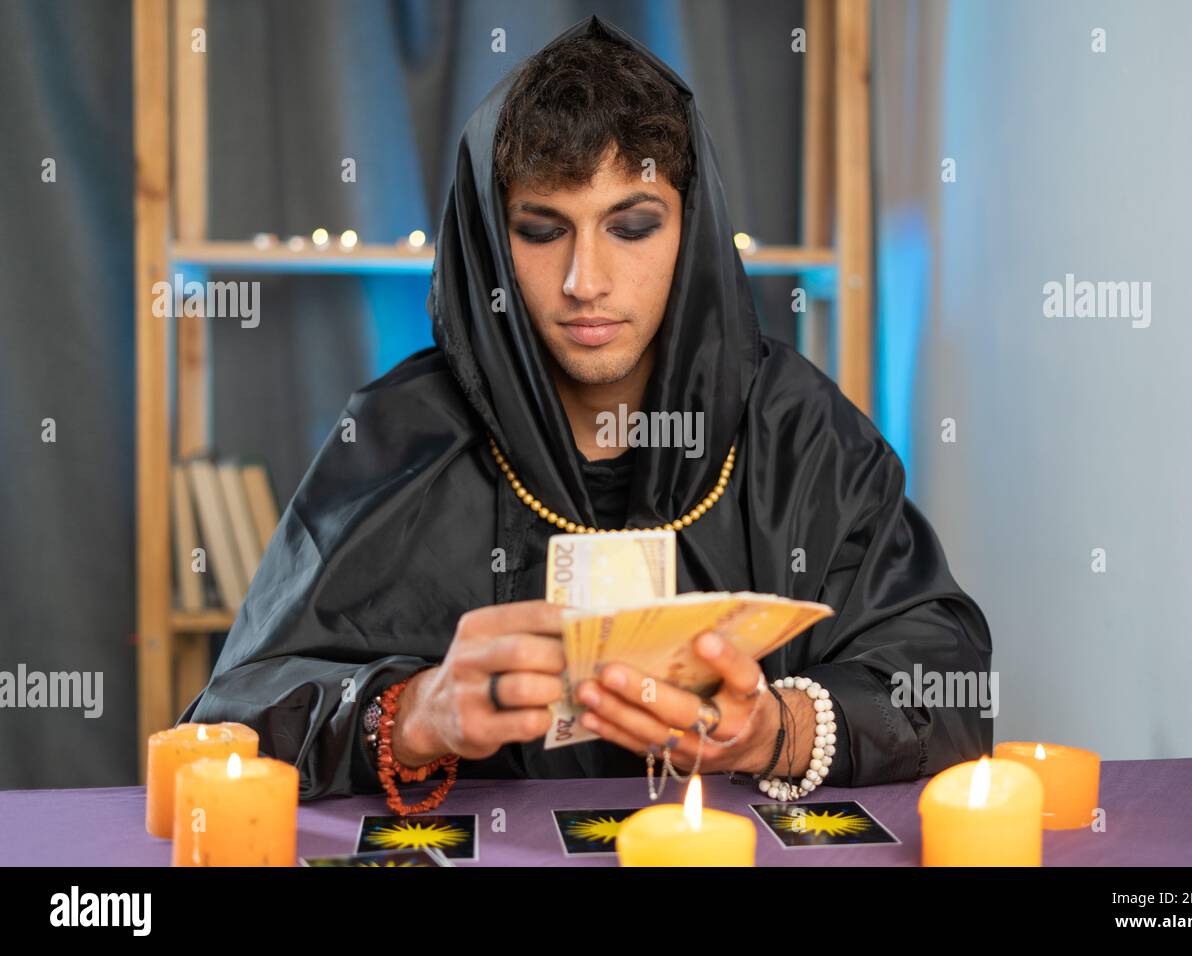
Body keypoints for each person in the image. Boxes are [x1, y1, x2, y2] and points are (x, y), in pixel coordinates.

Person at [181, 15, 992, 808]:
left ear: (692, 230)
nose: (585, 281)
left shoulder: (796, 429)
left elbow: (944, 679)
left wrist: (776, 730)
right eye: (542, 232)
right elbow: (226, 723)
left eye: (632, 227)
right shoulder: (400, 436)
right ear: (492, 245)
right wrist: (412, 713)